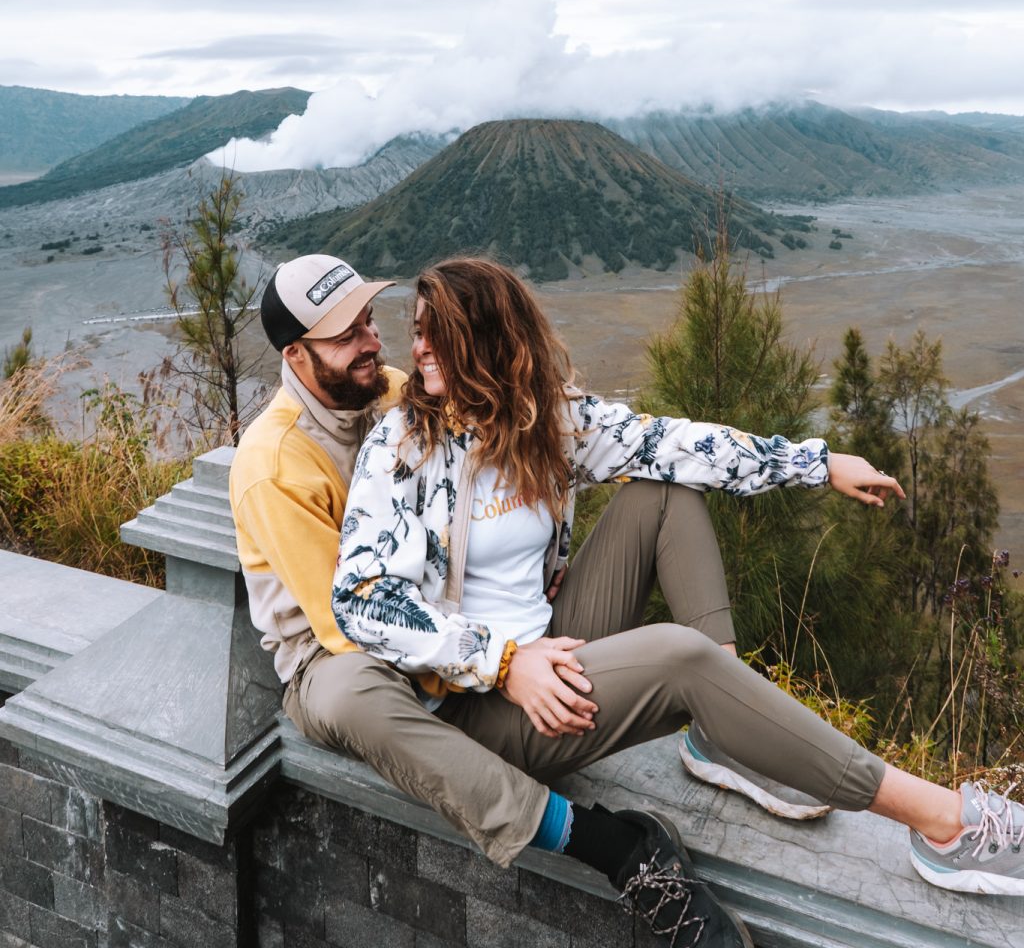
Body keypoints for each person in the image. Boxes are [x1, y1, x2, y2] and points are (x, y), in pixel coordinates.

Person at [328, 259, 1024, 941]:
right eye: (415, 329)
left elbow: (675, 443)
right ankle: (943, 821)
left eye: (435, 331)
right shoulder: (403, 444)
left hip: (556, 654)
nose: (415, 348)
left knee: (664, 488)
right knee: (681, 656)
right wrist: (504, 662)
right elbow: (362, 599)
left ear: (490, 340)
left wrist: (818, 463)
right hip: (484, 710)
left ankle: (725, 733)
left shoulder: (544, 419)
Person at [230, 254, 406, 693]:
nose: (372, 343)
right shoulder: (274, 464)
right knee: (361, 696)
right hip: (328, 652)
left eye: (369, 322)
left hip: (426, 608)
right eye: (347, 336)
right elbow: (342, 617)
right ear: (295, 354)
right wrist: (485, 666)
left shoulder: (395, 393)